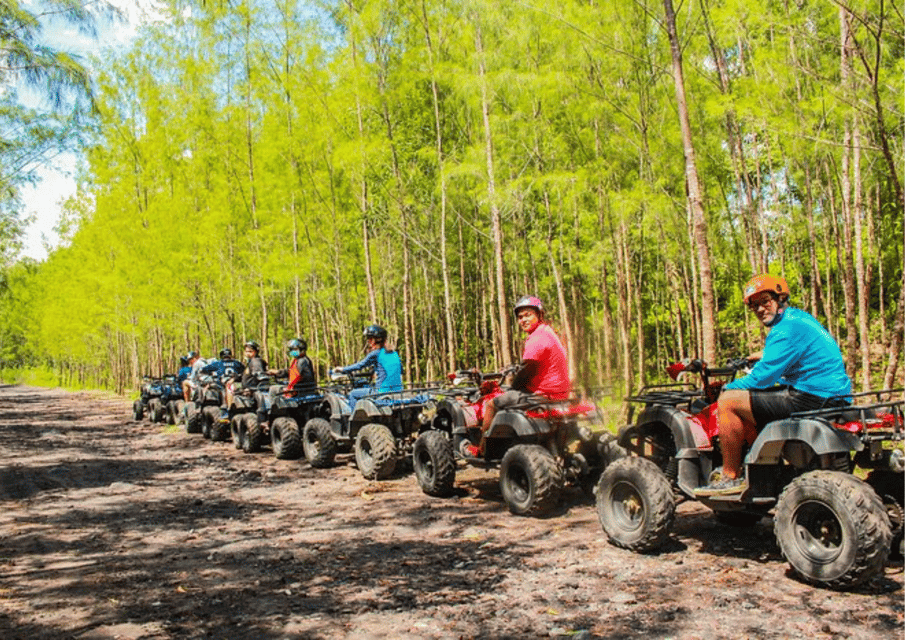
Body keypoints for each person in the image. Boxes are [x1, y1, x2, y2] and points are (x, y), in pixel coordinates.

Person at [695, 274, 852, 497]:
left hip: (809, 396)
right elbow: (794, 352)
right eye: (754, 305)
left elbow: (761, 379)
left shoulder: (784, 330)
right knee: (751, 405)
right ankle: (764, 470)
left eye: (765, 301)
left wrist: (727, 389)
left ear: (780, 298)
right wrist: (762, 355)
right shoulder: (798, 319)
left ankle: (729, 477)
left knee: (729, 402)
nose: (760, 309)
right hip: (834, 395)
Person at [469, 295, 571, 456]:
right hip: (561, 392)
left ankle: (482, 448)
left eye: (528, 314)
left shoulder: (536, 338)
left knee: (491, 404)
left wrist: (512, 387)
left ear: (540, 314)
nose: (523, 320)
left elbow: (526, 373)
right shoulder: (549, 332)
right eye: (520, 317)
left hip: (541, 394)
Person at [333, 325, 403, 404]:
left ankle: (353, 416)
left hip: (381, 392)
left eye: (369, 339)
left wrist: (342, 369)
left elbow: (360, 365)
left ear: (375, 340)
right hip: (398, 391)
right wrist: (375, 371)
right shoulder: (394, 353)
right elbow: (399, 370)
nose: (368, 341)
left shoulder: (376, 354)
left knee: (352, 394)